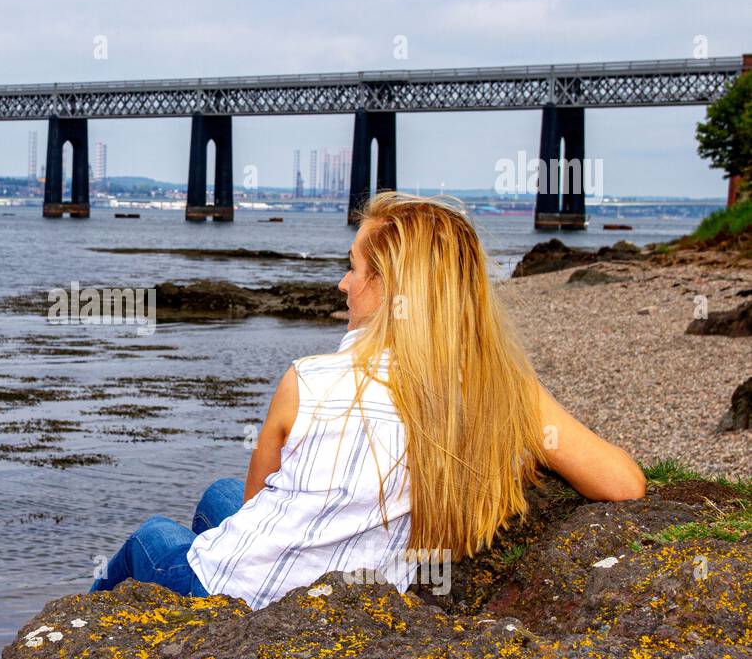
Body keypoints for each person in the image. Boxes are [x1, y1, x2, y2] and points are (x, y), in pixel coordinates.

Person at [89, 191, 646, 609]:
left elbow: (259, 509)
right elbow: (625, 484)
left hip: (252, 596)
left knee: (154, 537)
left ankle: (89, 624)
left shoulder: (308, 381)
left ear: (388, 285)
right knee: (219, 495)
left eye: (352, 267)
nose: (341, 284)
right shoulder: (498, 389)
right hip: (361, 593)